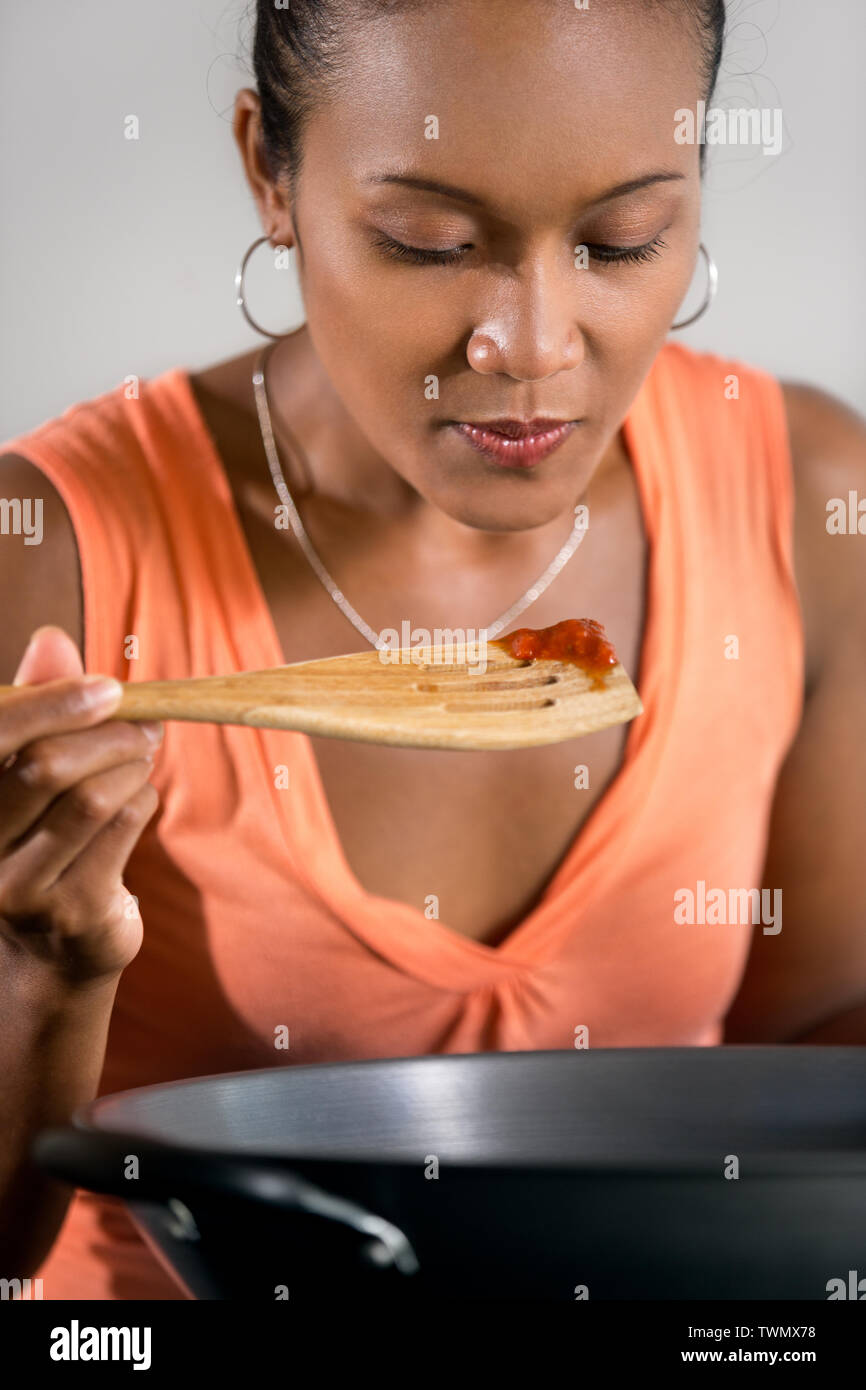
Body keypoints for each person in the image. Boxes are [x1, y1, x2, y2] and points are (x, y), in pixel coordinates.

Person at [1, 0, 864, 1301]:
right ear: (269, 176)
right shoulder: (53, 557)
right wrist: (41, 973)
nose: (529, 345)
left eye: (620, 237)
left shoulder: (807, 499)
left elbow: (810, 1075)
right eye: (428, 242)